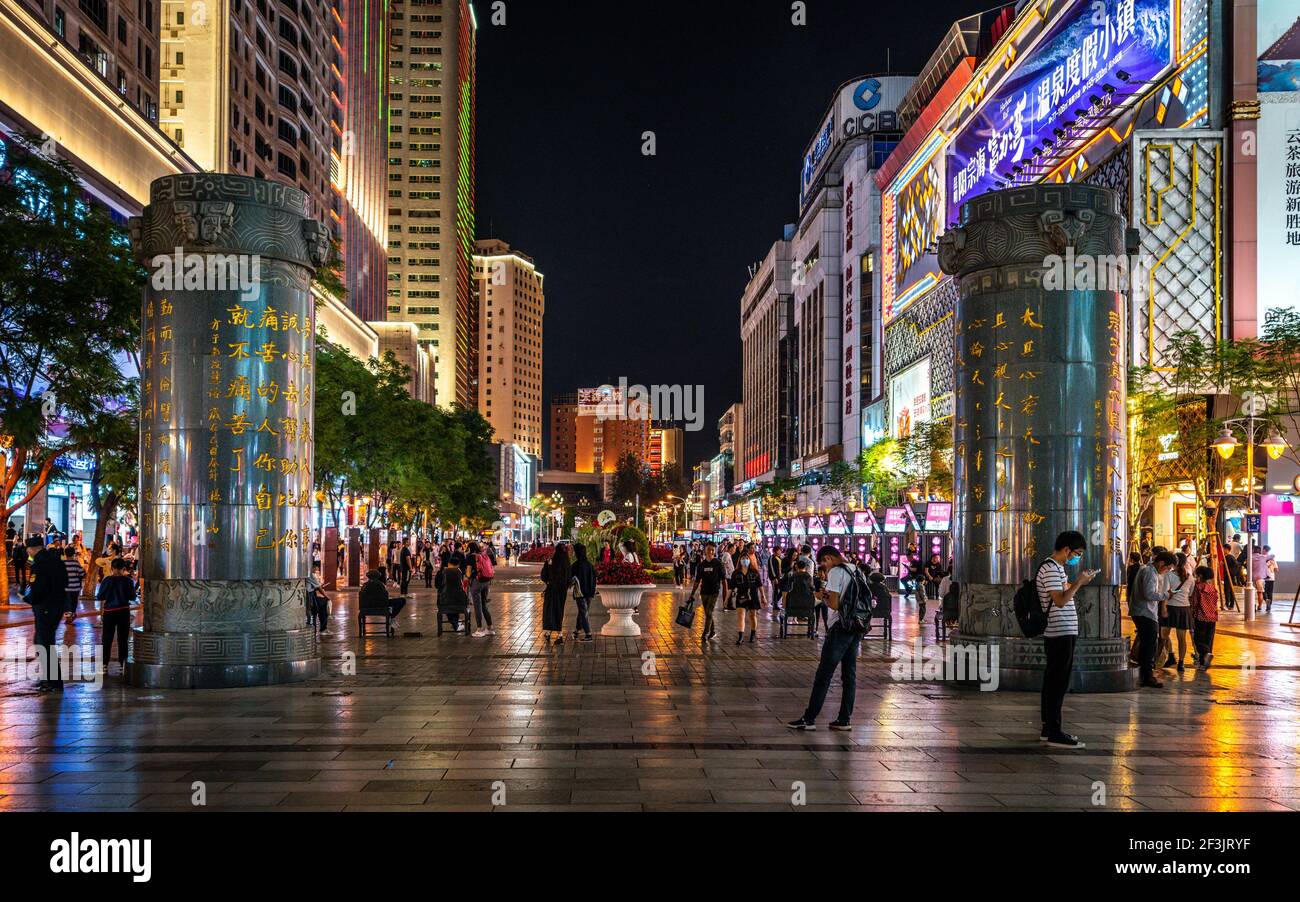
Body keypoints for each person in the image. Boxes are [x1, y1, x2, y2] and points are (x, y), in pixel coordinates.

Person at [787, 545, 864, 731]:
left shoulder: (837, 572)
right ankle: (844, 720)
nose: (824, 567)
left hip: (840, 628)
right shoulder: (855, 569)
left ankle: (809, 718)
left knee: (824, 674)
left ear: (829, 558)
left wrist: (823, 596)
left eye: (823, 563)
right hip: (855, 626)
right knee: (849, 675)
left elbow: (835, 604)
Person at [1034, 531, 1096, 749]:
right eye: (1076, 553)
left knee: (1056, 680)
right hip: (1058, 631)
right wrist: (1079, 583)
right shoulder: (1050, 567)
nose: (1076, 558)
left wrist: (1078, 582)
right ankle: (1053, 730)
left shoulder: (1056, 568)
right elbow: (1059, 601)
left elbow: (1062, 593)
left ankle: (1049, 728)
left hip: (1064, 631)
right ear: (1067, 549)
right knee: (1057, 682)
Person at [25, 536, 68, 692]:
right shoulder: (56, 561)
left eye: (28, 549)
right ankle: (48, 679)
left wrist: (28, 598)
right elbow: (65, 582)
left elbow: (37, 589)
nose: (27, 552)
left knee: (44, 643)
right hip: (56, 606)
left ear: (33, 549)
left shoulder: (40, 564)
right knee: (41, 641)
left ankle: (53, 683)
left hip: (45, 607)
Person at [1130, 551, 1175, 688]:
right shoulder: (1150, 572)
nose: (1167, 571)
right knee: (1149, 645)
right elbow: (1149, 594)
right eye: (1167, 568)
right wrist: (1166, 595)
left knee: (1147, 644)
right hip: (1145, 612)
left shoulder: (1149, 570)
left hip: (1144, 611)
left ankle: (1145, 675)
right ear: (1161, 563)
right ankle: (1147, 676)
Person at [96, 557, 135, 674]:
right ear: (124, 569)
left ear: (112, 568)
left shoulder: (107, 580)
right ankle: (123, 665)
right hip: (123, 611)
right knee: (123, 639)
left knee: (107, 639)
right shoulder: (128, 581)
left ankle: (104, 665)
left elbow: (100, 596)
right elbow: (132, 597)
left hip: (109, 612)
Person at [1159, 553, 1194, 672]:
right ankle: (1181, 663)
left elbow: (1165, 592)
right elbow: (1190, 593)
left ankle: (1171, 655)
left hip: (1170, 607)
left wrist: (1163, 607)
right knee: (1181, 638)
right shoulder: (1190, 577)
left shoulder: (1168, 575)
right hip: (1184, 609)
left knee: (1164, 635)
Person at [691, 542, 727, 642]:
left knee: (709, 612)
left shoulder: (718, 563)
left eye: (712, 550)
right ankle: (713, 631)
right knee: (708, 614)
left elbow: (724, 580)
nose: (710, 551)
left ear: (714, 551)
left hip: (714, 592)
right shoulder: (701, 565)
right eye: (708, 549)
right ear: (705, 550)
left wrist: (726, 596)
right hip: (704, 592)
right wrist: (692, 594)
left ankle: (705, 633)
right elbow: (697, 581)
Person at [730, 549, 763, 645]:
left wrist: (763, 597)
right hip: (741, 595)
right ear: (740, 560)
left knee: (753, 616)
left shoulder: (754, 571)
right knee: (741, 616)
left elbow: (759, 585)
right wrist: (727, 599)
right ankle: (740, 636)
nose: (745, 560)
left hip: (753, 595)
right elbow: (731, 587)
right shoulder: (736, 573)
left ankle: (753, 634)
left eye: (746, 558)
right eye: (743, 558)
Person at [540, 544, 571, 643]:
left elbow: (545, 576)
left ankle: (553, 633)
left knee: (549, 610)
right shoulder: (567, 562)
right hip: (562, 591)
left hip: (552, 590)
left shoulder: (552, 561)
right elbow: (569, 577)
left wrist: (547, 565)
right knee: (559, 610)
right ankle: (556, 633)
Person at [1190, 565, 1218, 668]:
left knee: (1198, 639)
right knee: (1208, 639)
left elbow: (1194, 602)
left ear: (1200, 576)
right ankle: (1204, 663)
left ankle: (1205, 654)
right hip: (1212, 617)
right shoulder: (1212, 588)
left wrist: (1192, 612)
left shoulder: (1198, 587)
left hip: (1201, 616)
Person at [435, 553, 470, 634]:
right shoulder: (459, 572)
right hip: (459, 603)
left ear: (448, 563)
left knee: (448, 603)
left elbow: (437, 586)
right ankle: (456, 624)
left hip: (443, 602)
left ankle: (455, 624)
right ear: (458, 565)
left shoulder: (441, 572)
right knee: (456, 601)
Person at [467, 541, 495, 638]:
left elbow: (468, 572)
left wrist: (467, 577)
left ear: (470, 548)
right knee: (483, 604)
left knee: (477, 605)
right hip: (486, 582)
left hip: (476, 582)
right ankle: (490, 628)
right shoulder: (483, 555)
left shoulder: (471, 556)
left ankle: (479, 629)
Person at [571, 543, 596, 641]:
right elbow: (594, 578)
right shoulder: (589, 565)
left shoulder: (576, 565)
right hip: (589, 592)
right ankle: (577, 631)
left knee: (583, 613)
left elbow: (570, 579)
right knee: (582, 612)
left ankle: (588, 634)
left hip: (580, 593)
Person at [61, 546, 85, 625]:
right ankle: (73, 614)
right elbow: (82, 573)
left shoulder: (62, 563)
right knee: (74, 602)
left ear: (65, 554)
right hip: (75, 587)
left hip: (66, 588)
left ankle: (69, 617)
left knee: (67, 603)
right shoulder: (76, 563)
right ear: (73, 554)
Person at [306, 562, 331, 636]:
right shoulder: (310, 574)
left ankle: (323, 627)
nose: (317, 570)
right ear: (313, 566)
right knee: (325, 602)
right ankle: (323, 628)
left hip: (311, 595)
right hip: (310, 597)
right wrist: (327, 596)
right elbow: (319, 588)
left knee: (322, 604)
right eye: (317, 568)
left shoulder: (308, 573)